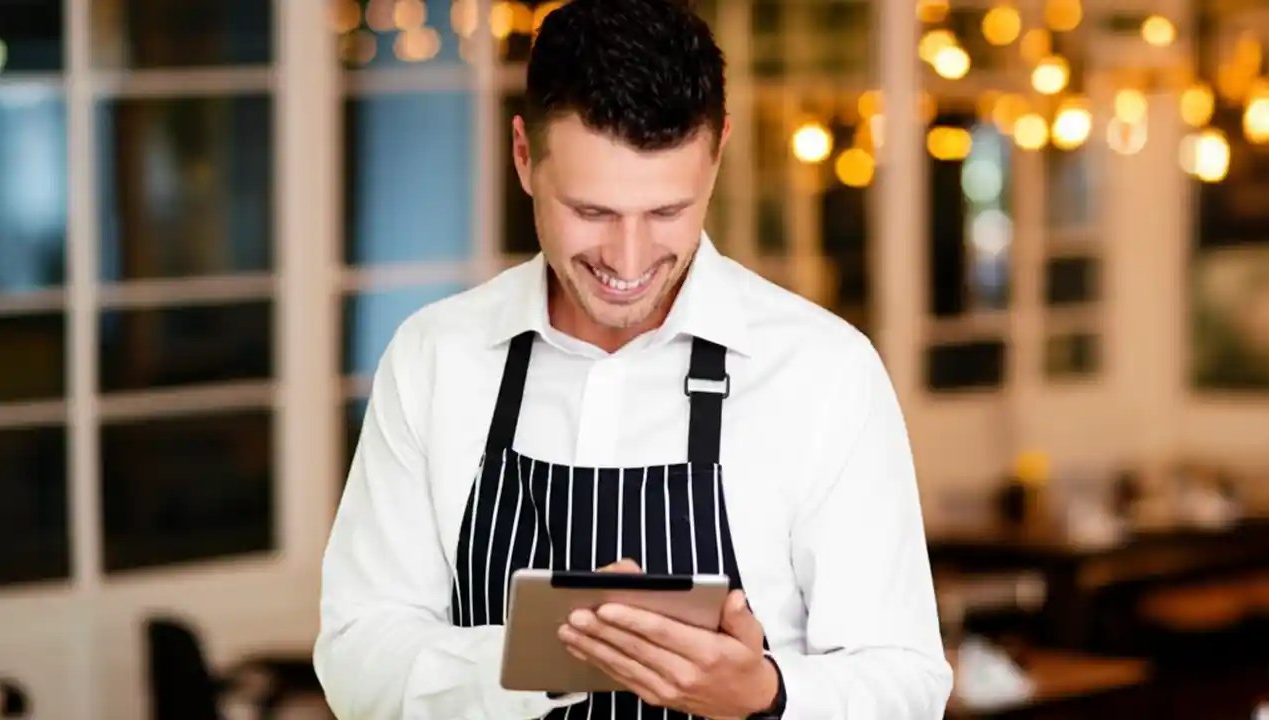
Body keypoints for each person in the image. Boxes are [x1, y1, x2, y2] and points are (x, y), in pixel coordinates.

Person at [313, 0, 953, 717]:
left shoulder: (825, 374)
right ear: (524, 157)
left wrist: (766, 695)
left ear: (718, 153)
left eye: (666, 213)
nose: (628, 259)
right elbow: (356, 656)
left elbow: (908, 684)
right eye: (591, 213)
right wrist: (547, 657)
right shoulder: (436, 359)